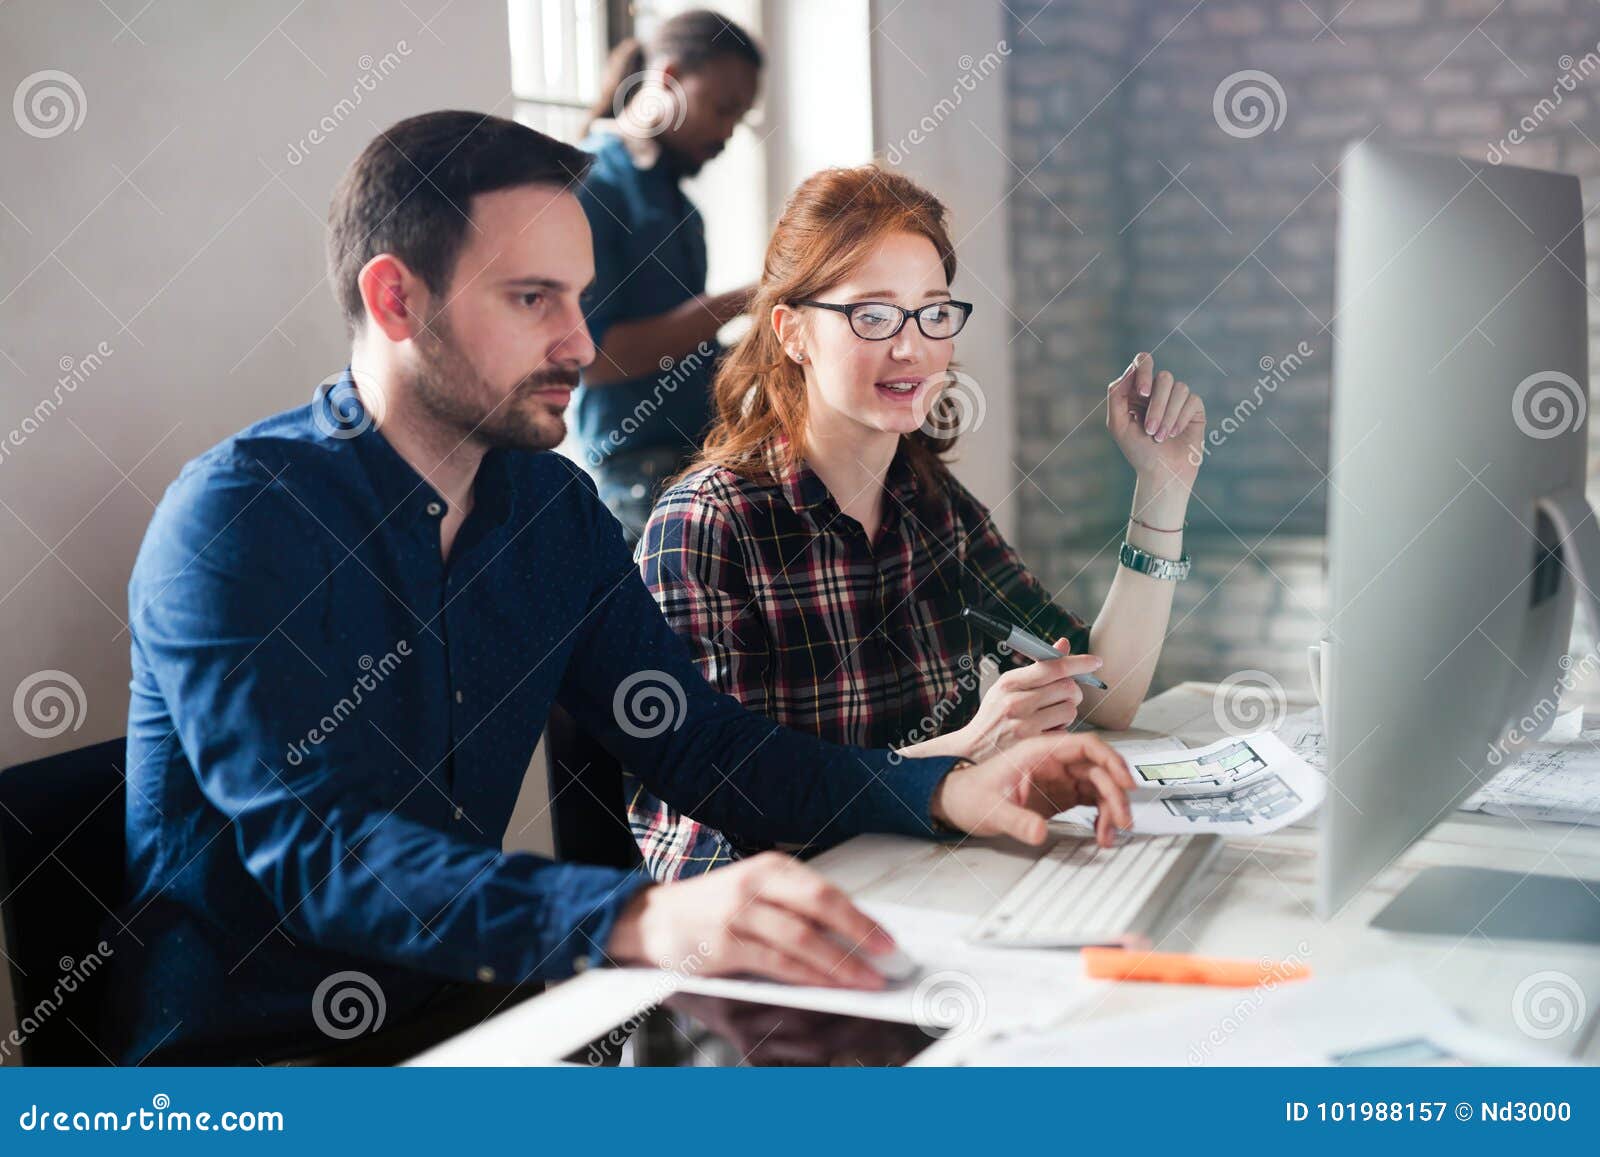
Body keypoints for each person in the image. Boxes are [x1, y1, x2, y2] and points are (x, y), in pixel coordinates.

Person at [103, 113, 1134, 1065]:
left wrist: (946, 788)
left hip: (481, 1016)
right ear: (395, 299)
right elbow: (320, 851)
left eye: (580, 296)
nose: (582, 343)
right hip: (246, 1063)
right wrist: (635, 918)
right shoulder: (237, 520)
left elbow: (704, 745)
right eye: (530, 298)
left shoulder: (548, 509)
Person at [629, 166, 1205, 882]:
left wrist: (1162, 489)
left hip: (922, 882)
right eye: (873, 315)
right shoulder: (707, 525)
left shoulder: (932, 506)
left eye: (934, 312)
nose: (913, 347)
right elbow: (735, 791)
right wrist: (966, 750)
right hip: (764, 922)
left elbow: (1105, 692)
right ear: (794, 333)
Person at [571, 9, 761, 544]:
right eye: (722, 109)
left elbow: (685, 350)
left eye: (740, 117)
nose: (727, 132)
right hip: (634, 482)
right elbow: (595, 356)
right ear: (670, 80)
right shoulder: (593, 185)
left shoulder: (683, 210)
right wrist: (747, 298)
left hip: (699, 463)